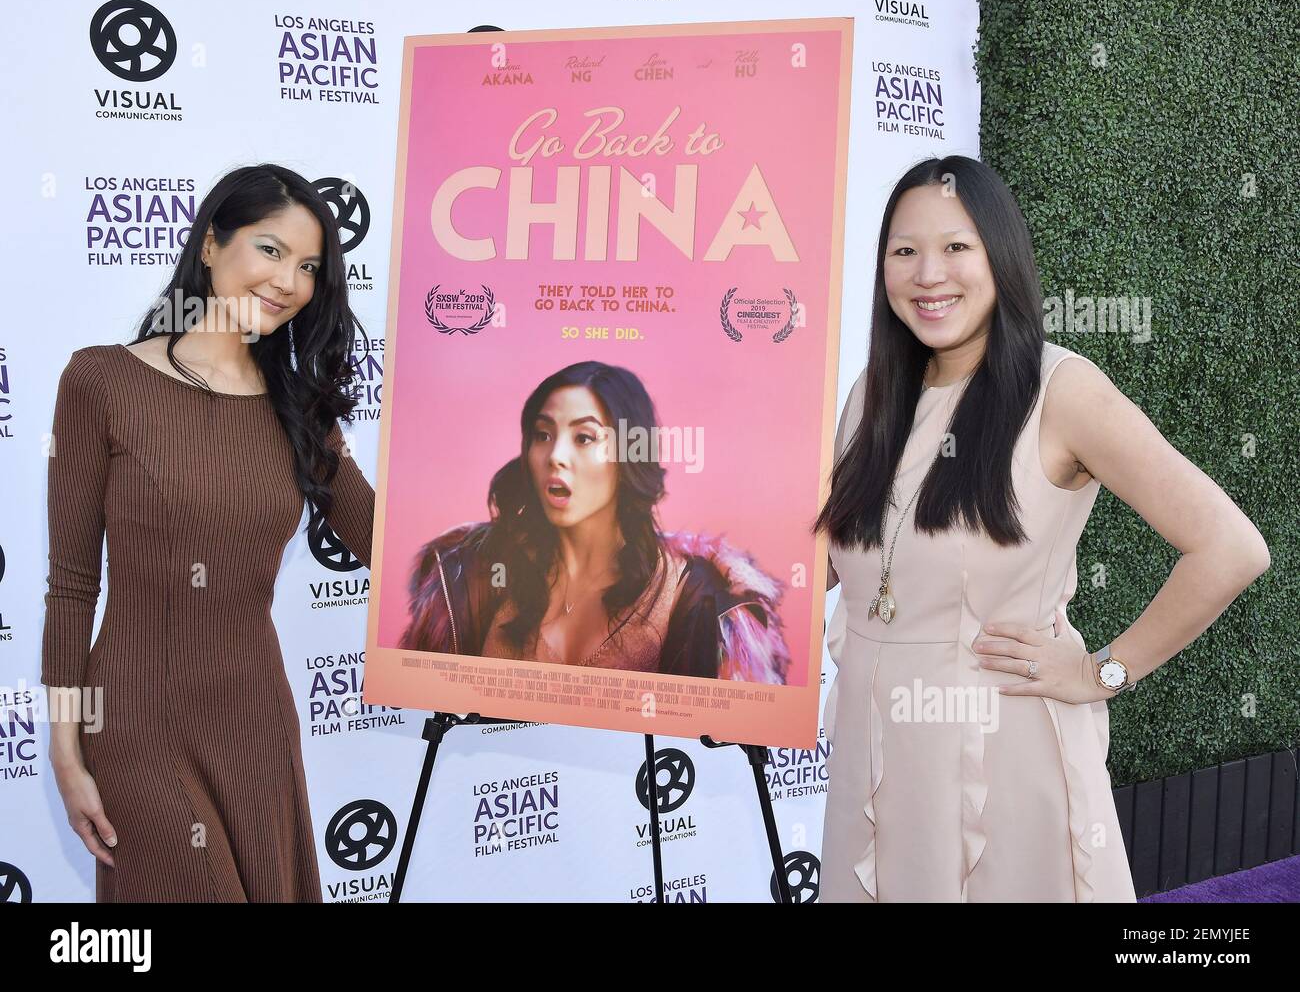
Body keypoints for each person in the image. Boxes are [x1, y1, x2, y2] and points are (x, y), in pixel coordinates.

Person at [814, 155, 1270, 902]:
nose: (929, 273)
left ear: (1002, 254)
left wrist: (1101, 672)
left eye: (957, 247)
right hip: (876, 755)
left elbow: (1230, 546)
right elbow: (841, 563)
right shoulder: (873, 394)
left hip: (1003, 754)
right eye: (905, 250)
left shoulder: (1062, 391)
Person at [41, 164, 375, 902]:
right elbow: (71, 584)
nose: (289, 280)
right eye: (271, 249)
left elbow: (383, 541)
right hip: (135, 720)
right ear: (212, 245)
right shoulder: (100, 383)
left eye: (310, 265)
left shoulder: (300, 413)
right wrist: (66, 747)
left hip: (255, 720)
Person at [398, 361, 791, 682]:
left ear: (629, 452)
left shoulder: (697, 600)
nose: (556, 456)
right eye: (542, 435)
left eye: (584, 438)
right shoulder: (477, 571)